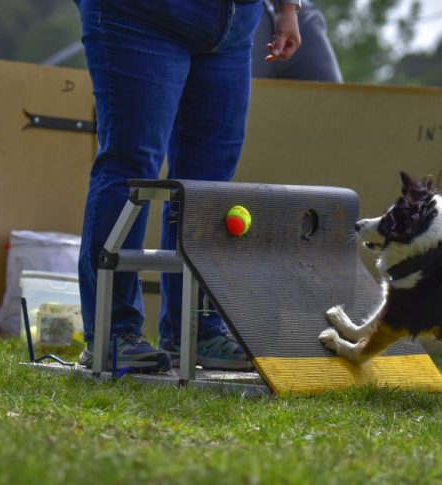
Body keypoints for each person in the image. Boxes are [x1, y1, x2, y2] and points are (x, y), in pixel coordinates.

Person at [74, 0, 302, 373]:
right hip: (140, 15)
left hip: (232, 26)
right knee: (131, 167)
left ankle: (196, 331)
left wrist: (288, 8)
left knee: (208, 185)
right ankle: (113, 332)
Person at [252, 0, 342, 83]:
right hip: (245, 10)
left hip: (297, 11)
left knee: (332, 93)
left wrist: (288, 8)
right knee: (244, 93)